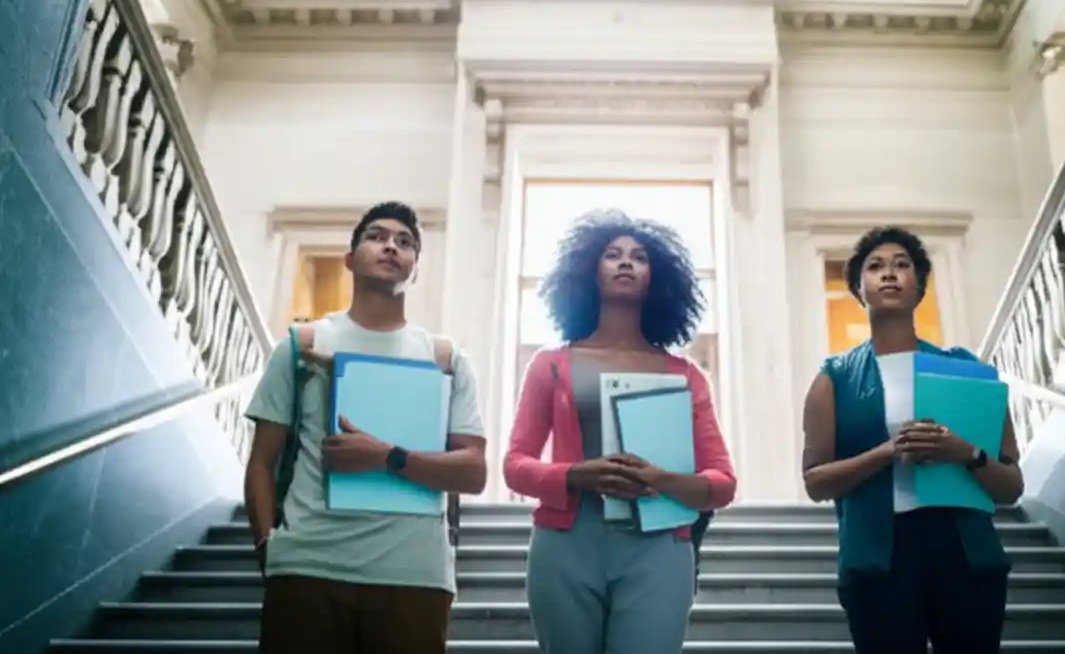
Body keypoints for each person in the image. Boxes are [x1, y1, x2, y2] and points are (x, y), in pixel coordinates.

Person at [242, 201, 487, 654]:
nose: (391, 245)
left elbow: (473, 471)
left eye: (405, 241)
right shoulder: (302, 346)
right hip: (308, 564)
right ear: (350, 258)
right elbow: (262, 461)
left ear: (415, 267)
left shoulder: (445, 358)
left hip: (413, 573)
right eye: (377, 236)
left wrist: (388, 458)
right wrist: (266, 546)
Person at [503, 209, 737, 654]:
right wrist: (575, 474)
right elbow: (515, 466)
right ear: (589, 270)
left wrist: (661, 480)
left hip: (659, 550)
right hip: (566, 547)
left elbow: (722, 482)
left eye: (639, 257)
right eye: (612, 255)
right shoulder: (550, 365)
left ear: (657, 278)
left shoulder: (686, 375)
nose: (626, 263)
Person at [800, 226, 1024, 654]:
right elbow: (815, 482)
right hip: (878, 558)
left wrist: (966, 453)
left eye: (902, 265)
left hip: (965, 553)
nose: (890, 274)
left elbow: (1012, 486)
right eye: (875, 266)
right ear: (858, 288)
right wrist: (887, 453)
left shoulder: (966, 370)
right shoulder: (835, 378)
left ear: (920, 286)